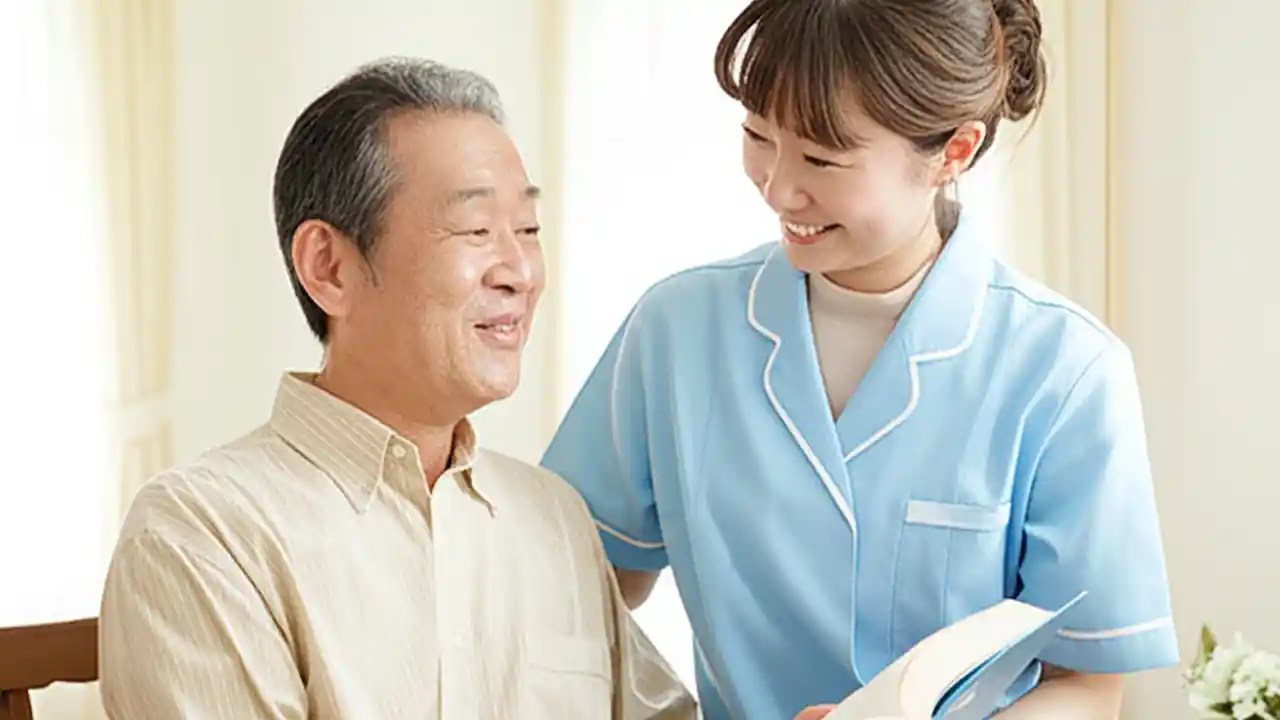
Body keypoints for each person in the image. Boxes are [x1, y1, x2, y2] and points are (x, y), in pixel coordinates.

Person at [541, 1, 1179, 718]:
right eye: (758, 136)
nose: (780, 188)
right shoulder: (676, 331)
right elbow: (572, 589)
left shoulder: (1065, 371)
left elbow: (1087, 685)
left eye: (822, 158)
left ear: (954, 151)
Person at [99, 57, 695, 720]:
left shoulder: (553, 517)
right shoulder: (202, 533)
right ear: (328, 267)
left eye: (527, 230)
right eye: (476, 231)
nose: (521, 272)